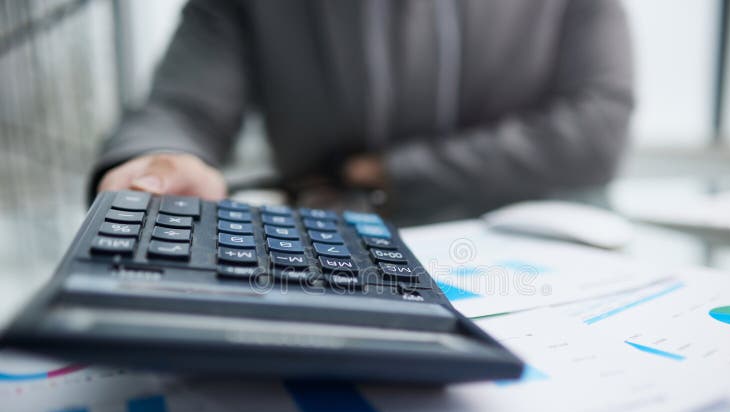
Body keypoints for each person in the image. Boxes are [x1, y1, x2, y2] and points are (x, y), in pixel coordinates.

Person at [93, 0, 633, 226]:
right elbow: (180, 110)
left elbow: (598, 127)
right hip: (332, 258)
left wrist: (386, 172)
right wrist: (154, 163)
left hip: (540, 265)